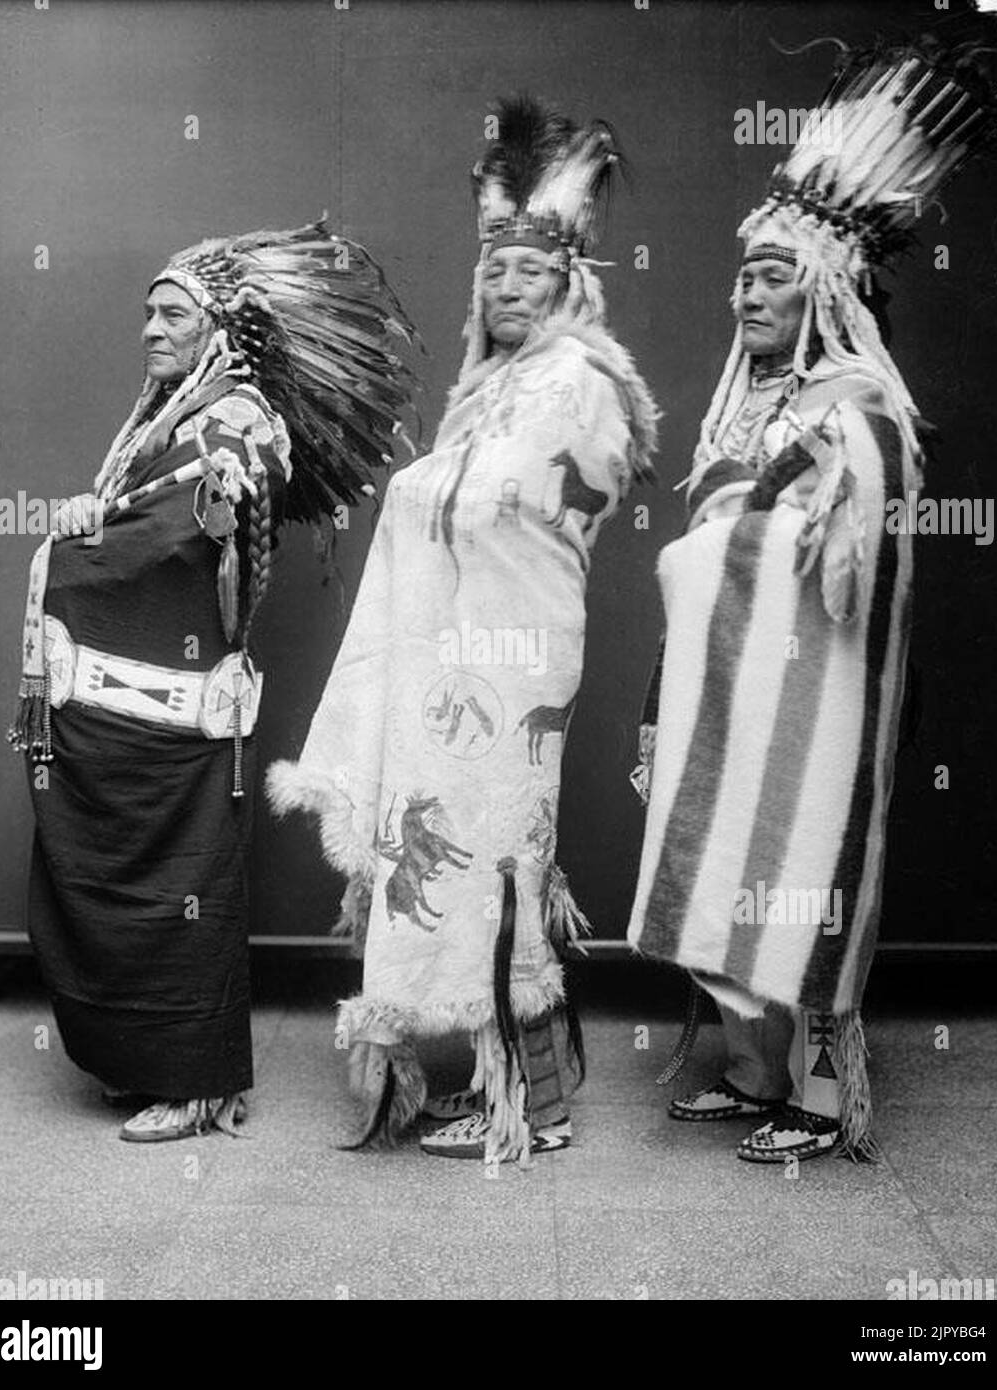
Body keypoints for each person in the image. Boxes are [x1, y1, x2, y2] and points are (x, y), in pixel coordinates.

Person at [627, 40, 997, 1162]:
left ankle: (811, 1086)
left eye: (771, 275)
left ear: (829, 288)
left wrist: (703, 556)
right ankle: (751, 1069)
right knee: (722, 863)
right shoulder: (747, 411)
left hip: (812, 704)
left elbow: (832, 563)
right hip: (727, 697)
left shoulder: (860, 410)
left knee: (795, 873)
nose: (744, 293)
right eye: (741, 275)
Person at [269, 97, 659, 1164]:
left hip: (511, 661)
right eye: (491, 271)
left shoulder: (580, 382)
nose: (501, 285)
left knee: (499, 854)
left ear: (570, 284)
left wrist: (424, 486)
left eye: (527, 272)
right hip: (456, 667)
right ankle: (513, 1081)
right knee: (447, 844)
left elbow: (514, 508)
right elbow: (456, 495)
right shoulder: (486, 390)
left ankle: (528, 1103)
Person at [9, 222, 414, 1142]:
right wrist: (88, 518)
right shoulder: (164, 420)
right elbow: (132, 517)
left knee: (177, 892)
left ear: (220, 332)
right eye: (147, 314)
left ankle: (196, 1083)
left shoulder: (238, 418)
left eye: (172, 315)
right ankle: (139, 1062)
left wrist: (86, 543)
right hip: (125, 714)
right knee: (113, 883)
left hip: (181, 720)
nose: (150, 330)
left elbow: (193, 522)